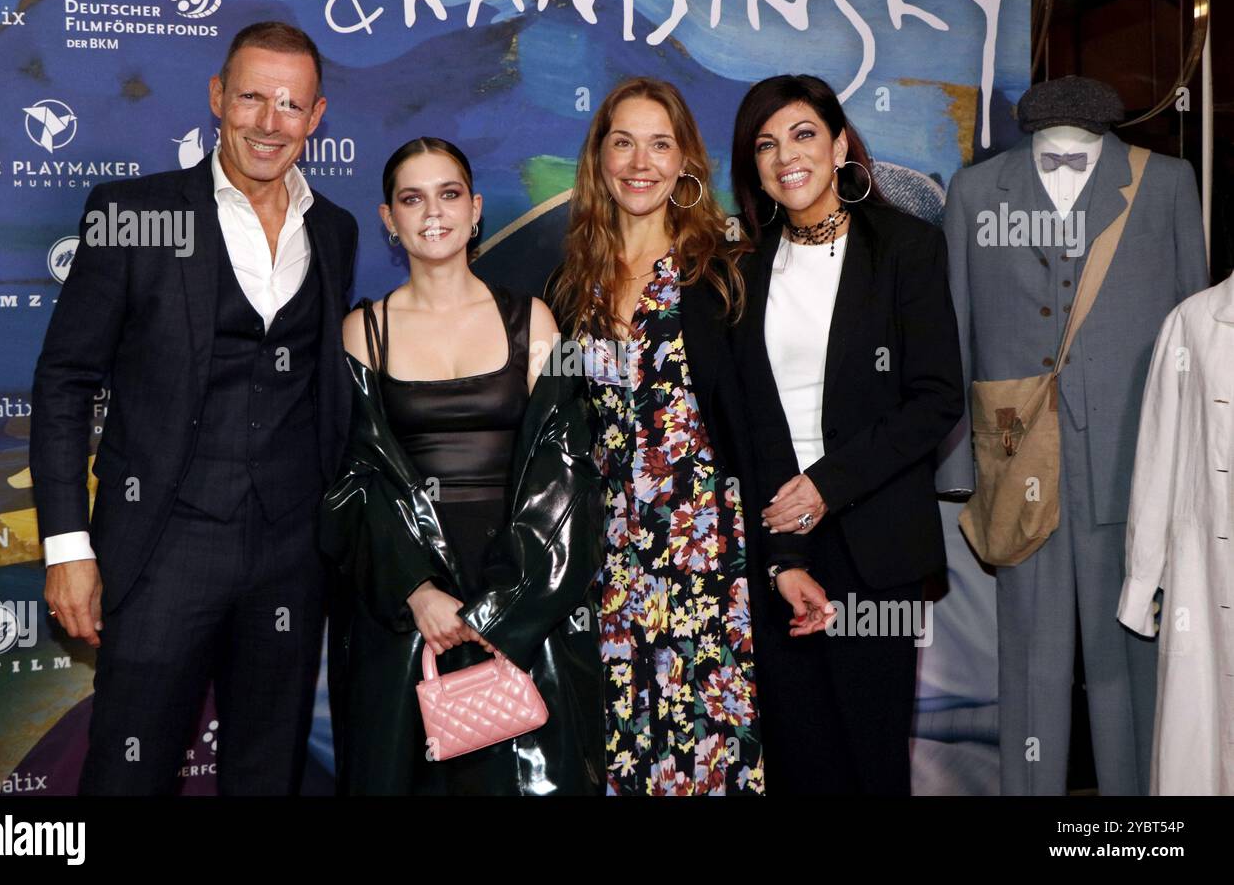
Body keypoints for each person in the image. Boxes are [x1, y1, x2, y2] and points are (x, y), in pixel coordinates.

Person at [31, 21, 359, 794]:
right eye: (251, 97)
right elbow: (65, 380)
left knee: (266, 775)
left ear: (316, 118)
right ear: (217, 98)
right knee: (127, 774)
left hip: (290, 555)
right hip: (162, 547)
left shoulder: (334, 230)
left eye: (290, 104)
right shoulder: (134, 212)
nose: (269, 122)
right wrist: (67, 547)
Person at [322, 137, 605, 795]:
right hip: (407, 603)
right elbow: (355, 481)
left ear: (475, 209)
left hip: (523, 591)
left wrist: (504, 609)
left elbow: (566, 473)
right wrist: (417, 591)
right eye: (412, 199)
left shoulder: (534, 319)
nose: (433, 213)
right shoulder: (363, 331)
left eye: (448, 194)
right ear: (389, 218)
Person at [727, 73, 964, 794]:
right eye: (765, 145)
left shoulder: (905, 247)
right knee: (798, 764)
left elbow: (936, 398)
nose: (785, 156)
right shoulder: (743, 268)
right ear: (753, 168)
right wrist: (784, 550)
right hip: (777, 542)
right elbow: (748, 418)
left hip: (875, 543)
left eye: (803, 134)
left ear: (838, 146)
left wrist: (825, 488)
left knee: (871, 763)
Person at [550, 77, 765, 796]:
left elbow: (759, 421)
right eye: (623, 143)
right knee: (621, 744)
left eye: (659, 145)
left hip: (706, 550)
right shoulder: (570, 286)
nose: (640, 163)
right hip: (607, 556)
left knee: (707, 745)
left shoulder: (723, 273)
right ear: (600, 158)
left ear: (685, 163)